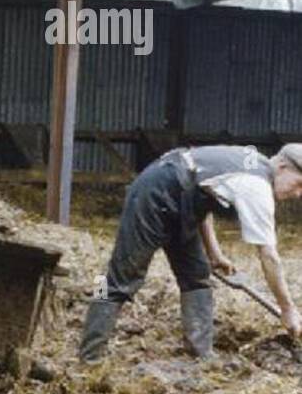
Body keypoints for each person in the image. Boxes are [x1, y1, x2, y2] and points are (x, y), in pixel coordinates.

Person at [79, 144, 302, 362]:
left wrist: (214, 253)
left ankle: (201, 357)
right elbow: (269, 255)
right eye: (299, 183)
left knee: (197, 278)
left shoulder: (250, 163)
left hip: (183, 198)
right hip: (155, 190)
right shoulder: (257, 185)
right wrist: (287, 309)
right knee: (115, 281)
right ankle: (89, 357)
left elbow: (205, 199)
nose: (298, 194)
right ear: (282, 166)